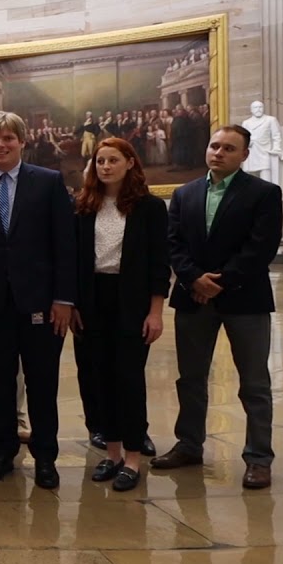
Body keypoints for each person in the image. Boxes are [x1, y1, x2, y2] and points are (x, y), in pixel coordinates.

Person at [153, 126, 283, 490]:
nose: (219, 153)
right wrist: (194, 279)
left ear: (244, 155)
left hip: (245, 298)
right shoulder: (184, 194)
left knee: (254, 382)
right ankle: (189, 445)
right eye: (214, 146)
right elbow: (173, 243)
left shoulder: (264, 193)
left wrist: (218, 283)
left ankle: (258, 458)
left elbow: (261, 247)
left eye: (229, 148)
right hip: (194, 298)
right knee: (191, 378)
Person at [0, 111, 76, 490]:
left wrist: (64, 299)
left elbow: (64, 245)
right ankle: (3, 451)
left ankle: (45, 457)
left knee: (41, 383)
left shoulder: (49, 182)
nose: (0, 145)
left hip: (41, 303)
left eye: (8, 138)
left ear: (22, 141)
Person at [70, 139, 169, 493]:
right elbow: (75, 261)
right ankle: (111, 454)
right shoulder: (83, 206)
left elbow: (160, 264)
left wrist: (155, 312)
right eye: (100, 161)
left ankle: (131, 458)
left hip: (131, 300)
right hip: (92, 300)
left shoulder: (150, 208)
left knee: (127, 378)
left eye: (113, 160)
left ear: (130, 163)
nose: (106, 166)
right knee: (98, 378)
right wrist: (75, 306)